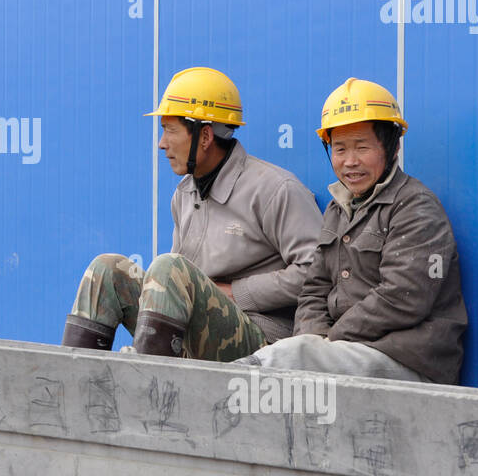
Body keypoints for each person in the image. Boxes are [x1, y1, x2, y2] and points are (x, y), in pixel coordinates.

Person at [61, 67, 323, 360]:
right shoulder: (184, 193)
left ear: (205, 136)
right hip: (193, 329)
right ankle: (74, 385)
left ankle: (156, 390)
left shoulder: (275, 189)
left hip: (261, 340)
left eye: (170, 130)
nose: (162, 143)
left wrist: (237, 293)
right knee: (107, 271)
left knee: (169, 268)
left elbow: (317, 273)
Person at [233, 78, 467, 384]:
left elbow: (402, 298)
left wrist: (327, 342)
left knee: (290, 357)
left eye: (362, 147)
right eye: (339, 149)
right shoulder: (337, 208)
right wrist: (313, 336)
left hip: (408, 360)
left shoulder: (416, 208)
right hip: (346, 353)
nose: (350, 162)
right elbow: (314, 288)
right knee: (294, 353)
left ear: (392, 146)